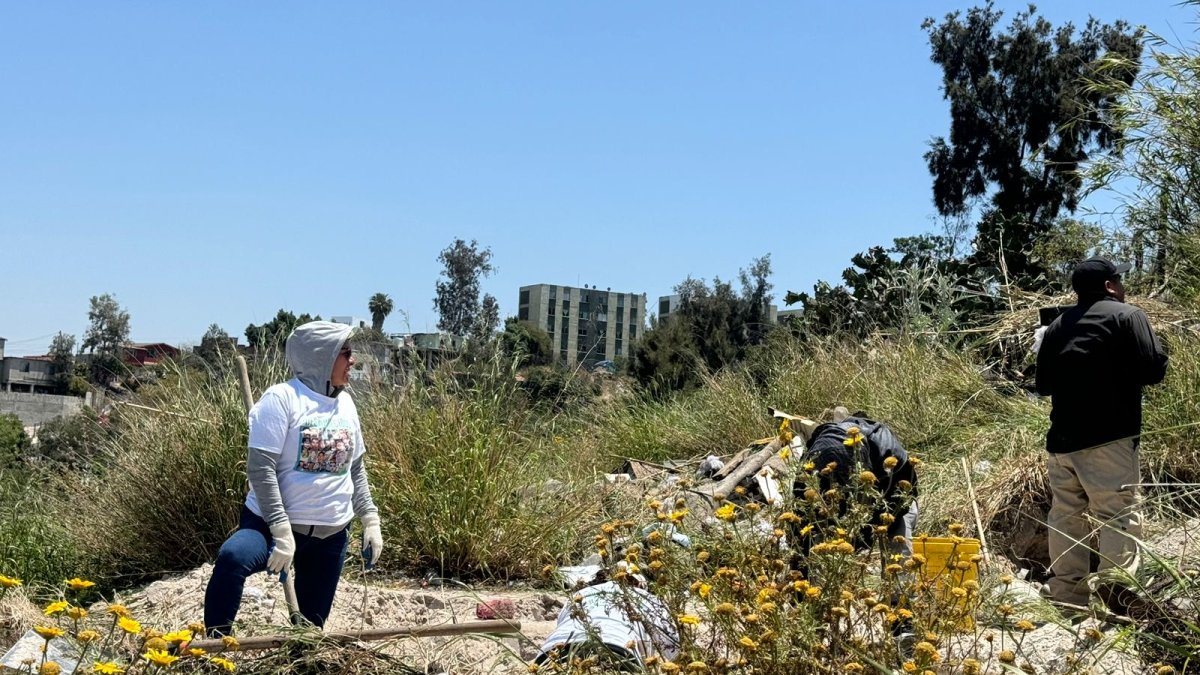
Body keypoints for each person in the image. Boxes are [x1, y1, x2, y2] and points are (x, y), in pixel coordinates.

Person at [204, 321, 384, 636]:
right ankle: (215, 648)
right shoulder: (282, 399)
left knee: (308, 632)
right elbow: (261, 470)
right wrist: (282, 532)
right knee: (233, 559)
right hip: (270, 528)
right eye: (346, 353)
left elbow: (355, 467)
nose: (352, 361)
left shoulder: (346, 404)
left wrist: (370, 519)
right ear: (322, 356)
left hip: (330, 538)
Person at [1036, 257, 1168, 613]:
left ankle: (1067, 598)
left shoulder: (1057, 325)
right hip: (1110, 438)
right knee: (1119, 516)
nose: (1123, 286)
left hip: (1062, 442)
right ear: (1110, 286)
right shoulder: (1129, 315)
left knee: (1066, 516)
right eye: (1119, 281)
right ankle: (1117, 597)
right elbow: (1153, 369)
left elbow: (1043, 385)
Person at [793, 407, 918, 561]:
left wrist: (865, 533)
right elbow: (800, 514)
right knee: (816, 533)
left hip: (889, 495)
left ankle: (899, 584)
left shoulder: (890, 452)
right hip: (847, 504)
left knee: (898, 538)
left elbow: (903, 501)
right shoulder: (812, 462)